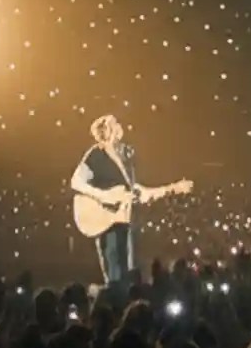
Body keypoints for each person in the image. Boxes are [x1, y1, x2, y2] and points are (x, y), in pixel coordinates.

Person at [70, 114, 190, 285]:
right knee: (115, 272)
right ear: (106, 130)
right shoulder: (97, 153)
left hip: (123, 222)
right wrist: (104, 196)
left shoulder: (125, 160)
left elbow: (138, 192)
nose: (120, 126)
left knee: (126, 271)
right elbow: (76, 181)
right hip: (106, 223)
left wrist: (173, 188)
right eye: (115, 123)